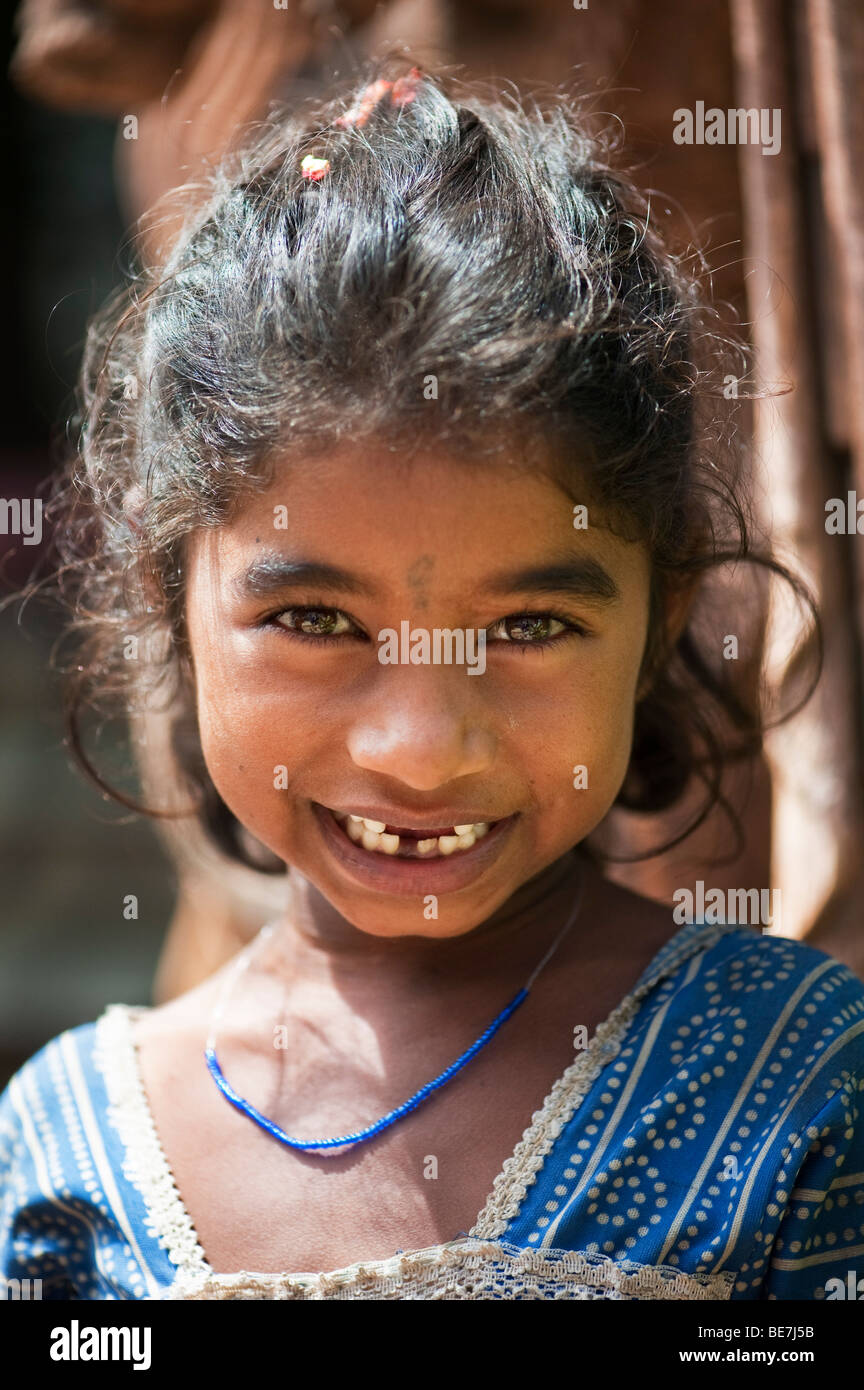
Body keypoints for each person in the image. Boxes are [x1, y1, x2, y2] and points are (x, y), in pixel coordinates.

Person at [2, 61, 862, 1302]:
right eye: (313, 617)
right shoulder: (68, 1142)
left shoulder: (793, 1083)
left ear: (663, 613)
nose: (420, 746)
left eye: (526, 627)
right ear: (169, 600)